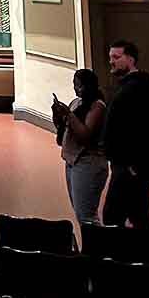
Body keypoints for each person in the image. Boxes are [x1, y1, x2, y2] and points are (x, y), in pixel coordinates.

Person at [101, 40, 149, 229]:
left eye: (116, 57)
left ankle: (131, 255)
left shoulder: (137, 89)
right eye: (110, 57)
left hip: (131, 166)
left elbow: (145, 130)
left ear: (130, 59)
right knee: (138, 214)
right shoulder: (129, 87)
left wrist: (134, 166)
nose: (111, 61)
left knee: (113, 216)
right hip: (127, 165)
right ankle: (144, 254)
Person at [52, 69, 108, 226]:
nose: (76, 89)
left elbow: (85, 136)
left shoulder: (97, 106)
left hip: (88, 162)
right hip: (72, 161)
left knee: (87, 216)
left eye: (80, 86)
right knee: (79, 211)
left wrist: (69, 114)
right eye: (75, 85)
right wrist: (58, 115)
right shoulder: (76, 102)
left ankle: (95, 248)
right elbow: (64, 131)